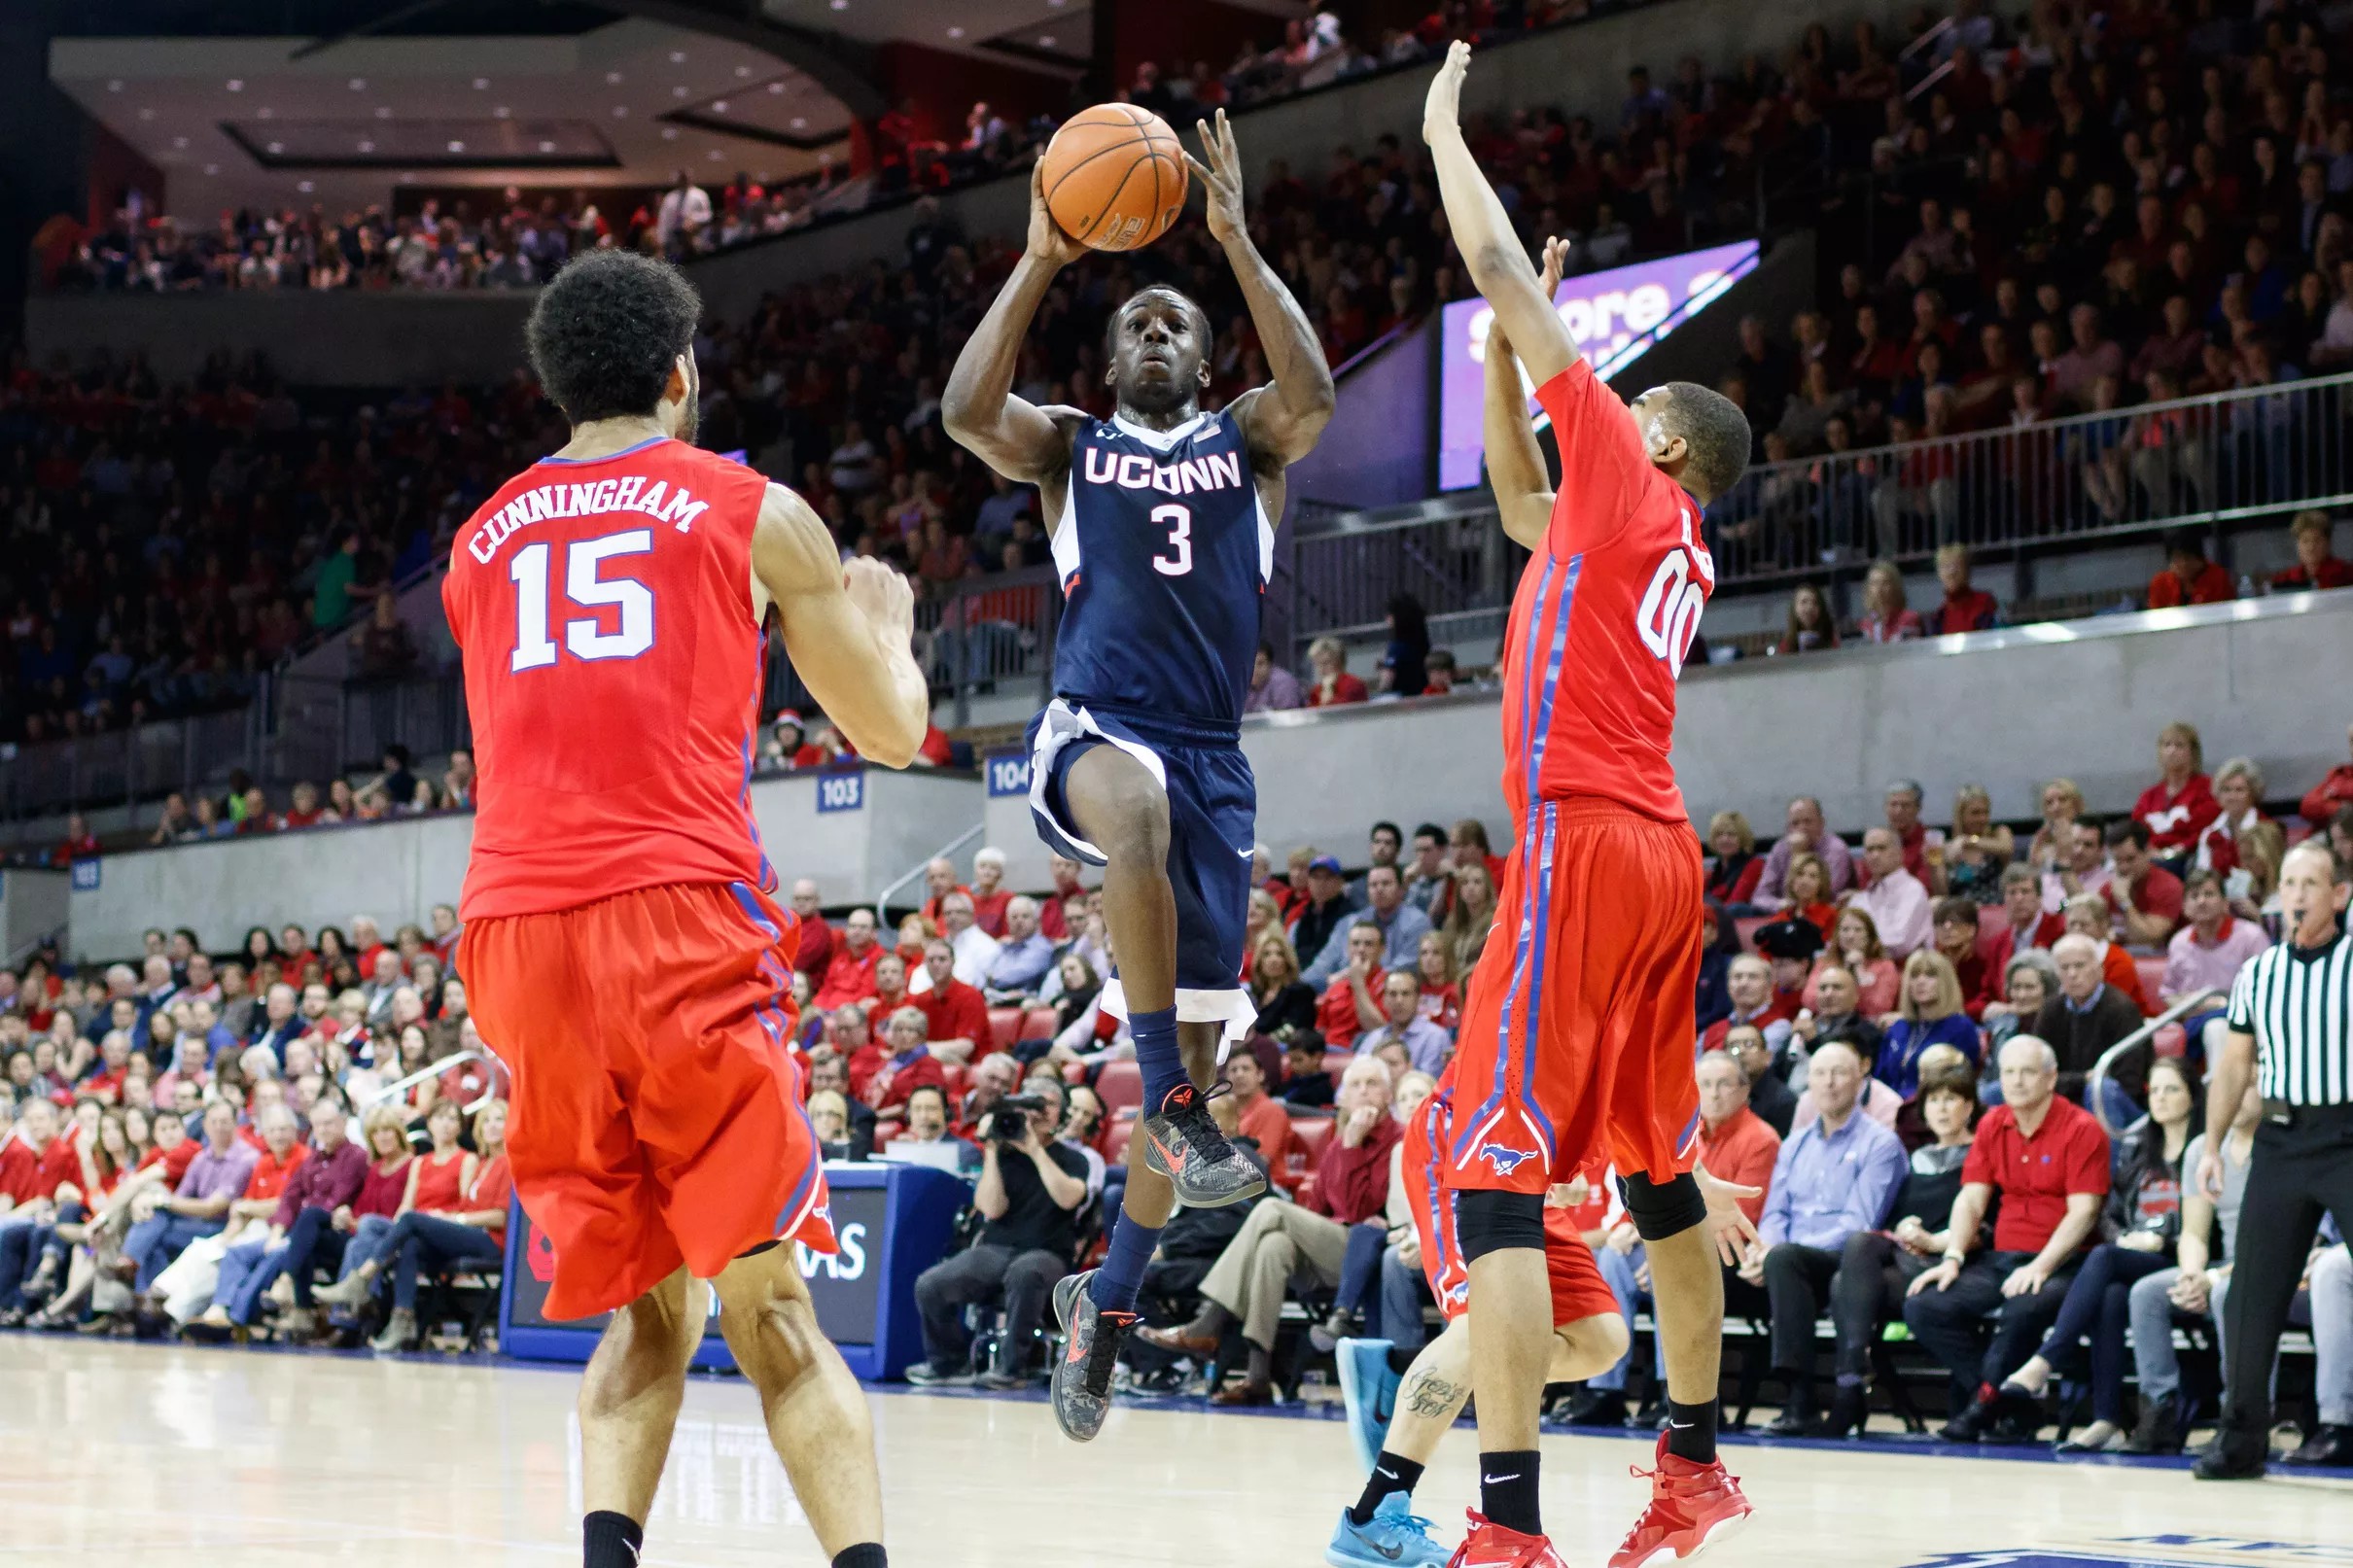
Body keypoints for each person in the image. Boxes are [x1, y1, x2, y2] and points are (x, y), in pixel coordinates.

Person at [439, 250, 930, 1568]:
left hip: (515, 932)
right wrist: (889, 630)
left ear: (557, 387)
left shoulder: (477, 542)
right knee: (770, 1311)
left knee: (646, 1310)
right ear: (680, 372)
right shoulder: (751, 507)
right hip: (671, 914)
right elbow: (889, 735)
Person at [942, 106, 1334, 1444]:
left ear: (1206, 356)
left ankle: (1103, 1305)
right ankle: (1164, 1083)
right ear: (1110, 362)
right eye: (1136, 326)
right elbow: (964, 411)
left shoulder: (1249, 443)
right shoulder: (1068, 446)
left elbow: (1312, 395)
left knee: (1193, 1100)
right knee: (1139, 816)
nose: (1155, 334)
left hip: (1215, 759)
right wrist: (1039, 260)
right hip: (1097, 727)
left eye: (1175, 323)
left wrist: (1235, 240)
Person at [1428, 44, 1760, 1561]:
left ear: (1664, 439)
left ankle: (1508, 1528)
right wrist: (1506, 368)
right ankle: (1692, 1461)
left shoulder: (1630, 471)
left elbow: (1496, 263)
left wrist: (1441, 127)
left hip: (1583, 839)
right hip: (1659, 853)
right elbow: (1517, 503)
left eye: (1630, 403)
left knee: (1494, 1175)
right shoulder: (1645, 526)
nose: (1606, 407)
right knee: (1658, 1168)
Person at [1324, 1058, 1632, 1568]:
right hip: (1471, 1132)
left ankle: (1406, 1368)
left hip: (1533, 1158)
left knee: (1601, 1342)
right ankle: (1372, 1515)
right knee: (1481, 1325)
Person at [2193, 840, 2353, 1480]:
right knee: (2250, 1295)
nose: (2297, 895)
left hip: (2348, 1134)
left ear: (2339, 895)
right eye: (2288, 883)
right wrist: (2212, 1144)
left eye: (2311, 883)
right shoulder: (2258, 973)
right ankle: (2240, 1439)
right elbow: (2235, 1064)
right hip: (2282, 1138)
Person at [1135, 1057, 1400, 1406]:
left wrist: (1352, 1144)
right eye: (1356, 1085)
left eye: (1372, 1084)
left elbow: (1357, 1212)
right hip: (1328, 1250)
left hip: (1367, 1255)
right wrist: (1346, 1144)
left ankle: (1209, 1322)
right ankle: (1258, 1376)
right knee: (1274, 1245)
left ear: (1389, 1094)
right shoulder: (1338, 1143)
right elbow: (1317, 1207)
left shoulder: (1397, 1139)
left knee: (1271, 1209)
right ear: (1343, 1099)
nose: (1363, 1092)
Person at [1904, 1035, 2111, 1443]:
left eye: (2027, 1072)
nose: (2016, 1081)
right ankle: (2010, 1403)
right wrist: (1953, 1257)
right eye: (2008, 1072)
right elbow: (1971, 1199)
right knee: (1925, 1306)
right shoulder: (1993, 1123)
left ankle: (1982, 1408)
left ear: (2051, 1078)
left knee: (2021, 1309)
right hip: (2001, 1258)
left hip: (2066, 1264)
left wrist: (2041, 1266)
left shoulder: (2082, 1128)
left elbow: (2084, 1212)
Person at [1988, 1059, 2198, 1452]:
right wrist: (2127, 1238)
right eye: (2154, 1090)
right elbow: (2110, 1212)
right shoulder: (2139, 1148)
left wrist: (2160, 1241)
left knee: (2102, 1258)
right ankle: (2107, 1420)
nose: (2160, 1098)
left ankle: (2045, 1361)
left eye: (2171, 1089)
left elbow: (2205, 1225)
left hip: (2180, 1258)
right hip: (2133, 1254)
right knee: (2110, 1296)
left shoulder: (2201, 1151)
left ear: (2192, 1096)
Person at [1743, 1040, 1907, 1434]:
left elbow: (1860, 1222)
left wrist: (1783, 1252)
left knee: (1786, 1259)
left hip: (1848, 1260)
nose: (1829, 1083)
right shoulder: (1795, 1143)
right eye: (1819, 1073)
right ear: (1809, 1083)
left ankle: (1799, 1398)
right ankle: (1791, 1403)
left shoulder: (1880, 1143)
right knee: (1766, 1261)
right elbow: (1775, 1211)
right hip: (1789, 1261)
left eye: (1839, 1073)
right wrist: (1766, 1250)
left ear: (1860, 1081)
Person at [1820, 1062, 1978, 1436]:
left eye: (1950, 1099)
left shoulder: (1979, 1157)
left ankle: (1850, 1383)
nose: (1941, 1109)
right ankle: (1854, 1371)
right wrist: (1905, 1232)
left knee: (1844, 1283)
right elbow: (1892, 1220)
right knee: (1856, 1257)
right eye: (1933, 1101)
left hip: (1952, 1264)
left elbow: (1982, 1228)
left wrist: (1934, 1241)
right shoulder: (1916, 1159)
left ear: (1969, 1106)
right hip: (1906, 1259)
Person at [905, 1088, 1089, 1389]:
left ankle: (1011, 1369)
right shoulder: (1004, 1156)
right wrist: (990, 1149)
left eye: (1046, 1107)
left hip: (1048, 1252)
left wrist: (1035, 1150)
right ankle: (949, 1363)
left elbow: (1068, 1198)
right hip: (998, 1248)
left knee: (1025, 1272)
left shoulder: (1073, 1158)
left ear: (1059, 1114)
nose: (1034, 1117)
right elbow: (991, 1208)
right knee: (931, 1284)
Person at [1877, 951, 1981, 1096]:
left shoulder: (1961, 1028)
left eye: (1930, 975)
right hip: (1890, 1104)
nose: (1920, 982)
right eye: (1914, 976)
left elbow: (1962, 1083)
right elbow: (1880, 1079)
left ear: (1945, 982)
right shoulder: (1898, 1027)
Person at [1846, 826, 1933, 958]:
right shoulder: (1859, 899)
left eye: (1881, 848)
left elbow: (1900, 943)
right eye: (1870, 850)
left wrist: (1859, 945)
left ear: (1899, 853)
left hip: (1905, 967)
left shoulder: (1913, 890)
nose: (1875, 855)